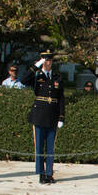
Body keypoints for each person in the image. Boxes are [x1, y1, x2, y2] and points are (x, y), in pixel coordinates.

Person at [27, 50, 64, 184]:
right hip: (39, 115)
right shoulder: (37, 75)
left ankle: (49, 173)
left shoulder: (57, 77)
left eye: (50, 60)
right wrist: (36, 66)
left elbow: (61, 98)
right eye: (45, 60)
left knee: (50, 147)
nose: (48, 63)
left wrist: (61, 116)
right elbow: (24, 80)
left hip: (52, 115)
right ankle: (41, 173)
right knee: (39, 147)